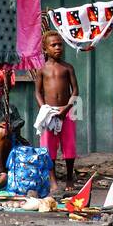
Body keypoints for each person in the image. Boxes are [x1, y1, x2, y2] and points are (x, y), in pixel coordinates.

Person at [35, 31, 79, 196]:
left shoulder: (68, 67)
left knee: (69, 145)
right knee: (48, 147)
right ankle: (52, 180)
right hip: (49, 112)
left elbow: (75, 90)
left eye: (60, 44)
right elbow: (38, 92)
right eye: (54, 45)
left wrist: (66, 108)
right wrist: (44, 108)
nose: (58, 47)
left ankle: (69, 177)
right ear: (45, 49)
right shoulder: (41, 70)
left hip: (69, 110)